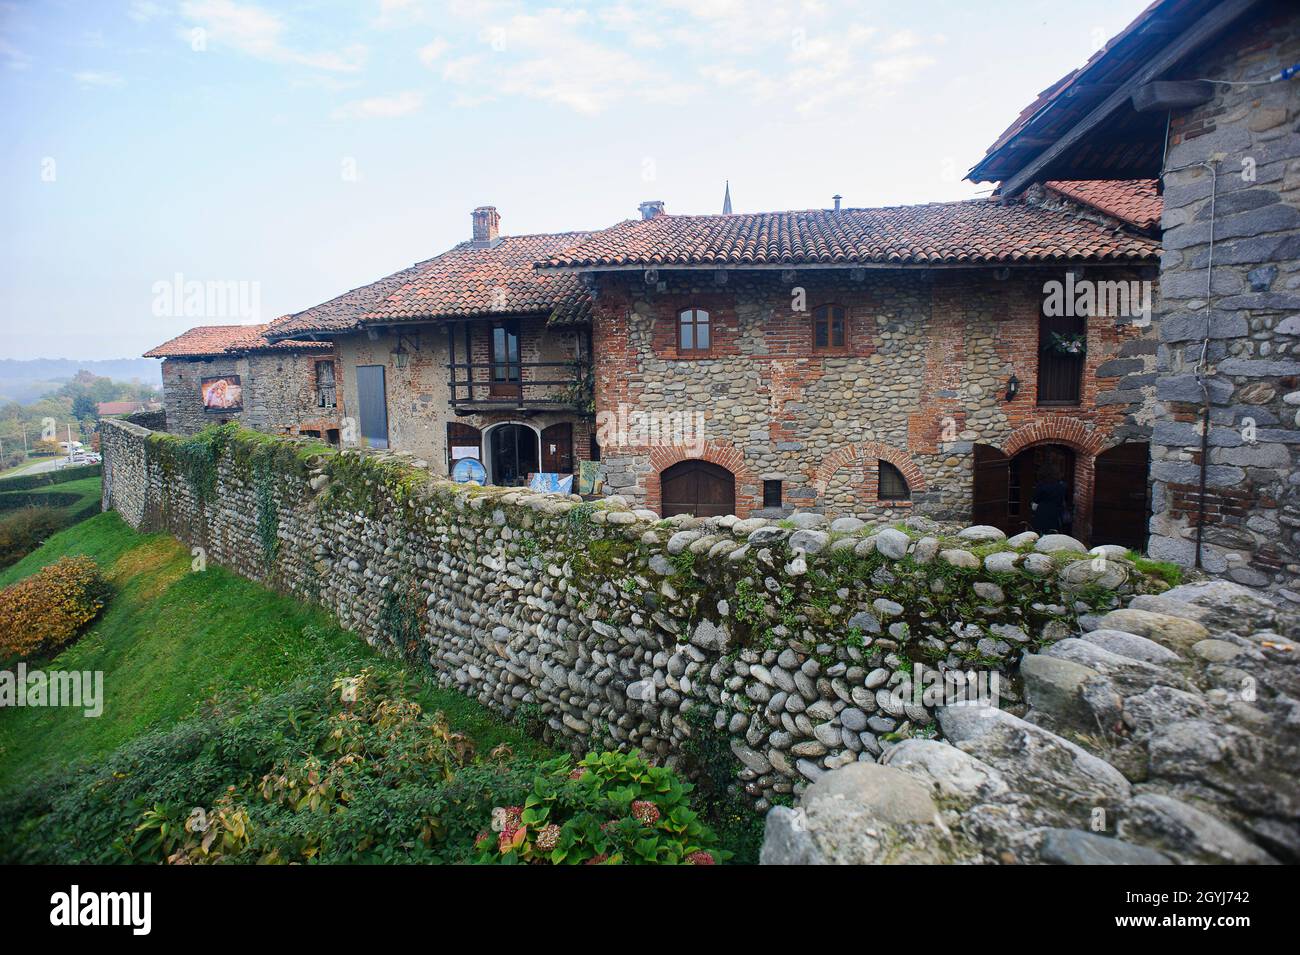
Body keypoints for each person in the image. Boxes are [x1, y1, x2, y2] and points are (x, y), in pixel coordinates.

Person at [1030, 469, 1069, 535]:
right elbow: (1064, 498)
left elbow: (1035, 500)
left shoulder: (1041, 486)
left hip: (1042, 512)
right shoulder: (1062, 486)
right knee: (1054, 532)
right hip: (1056, 512)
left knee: (1042, 532)